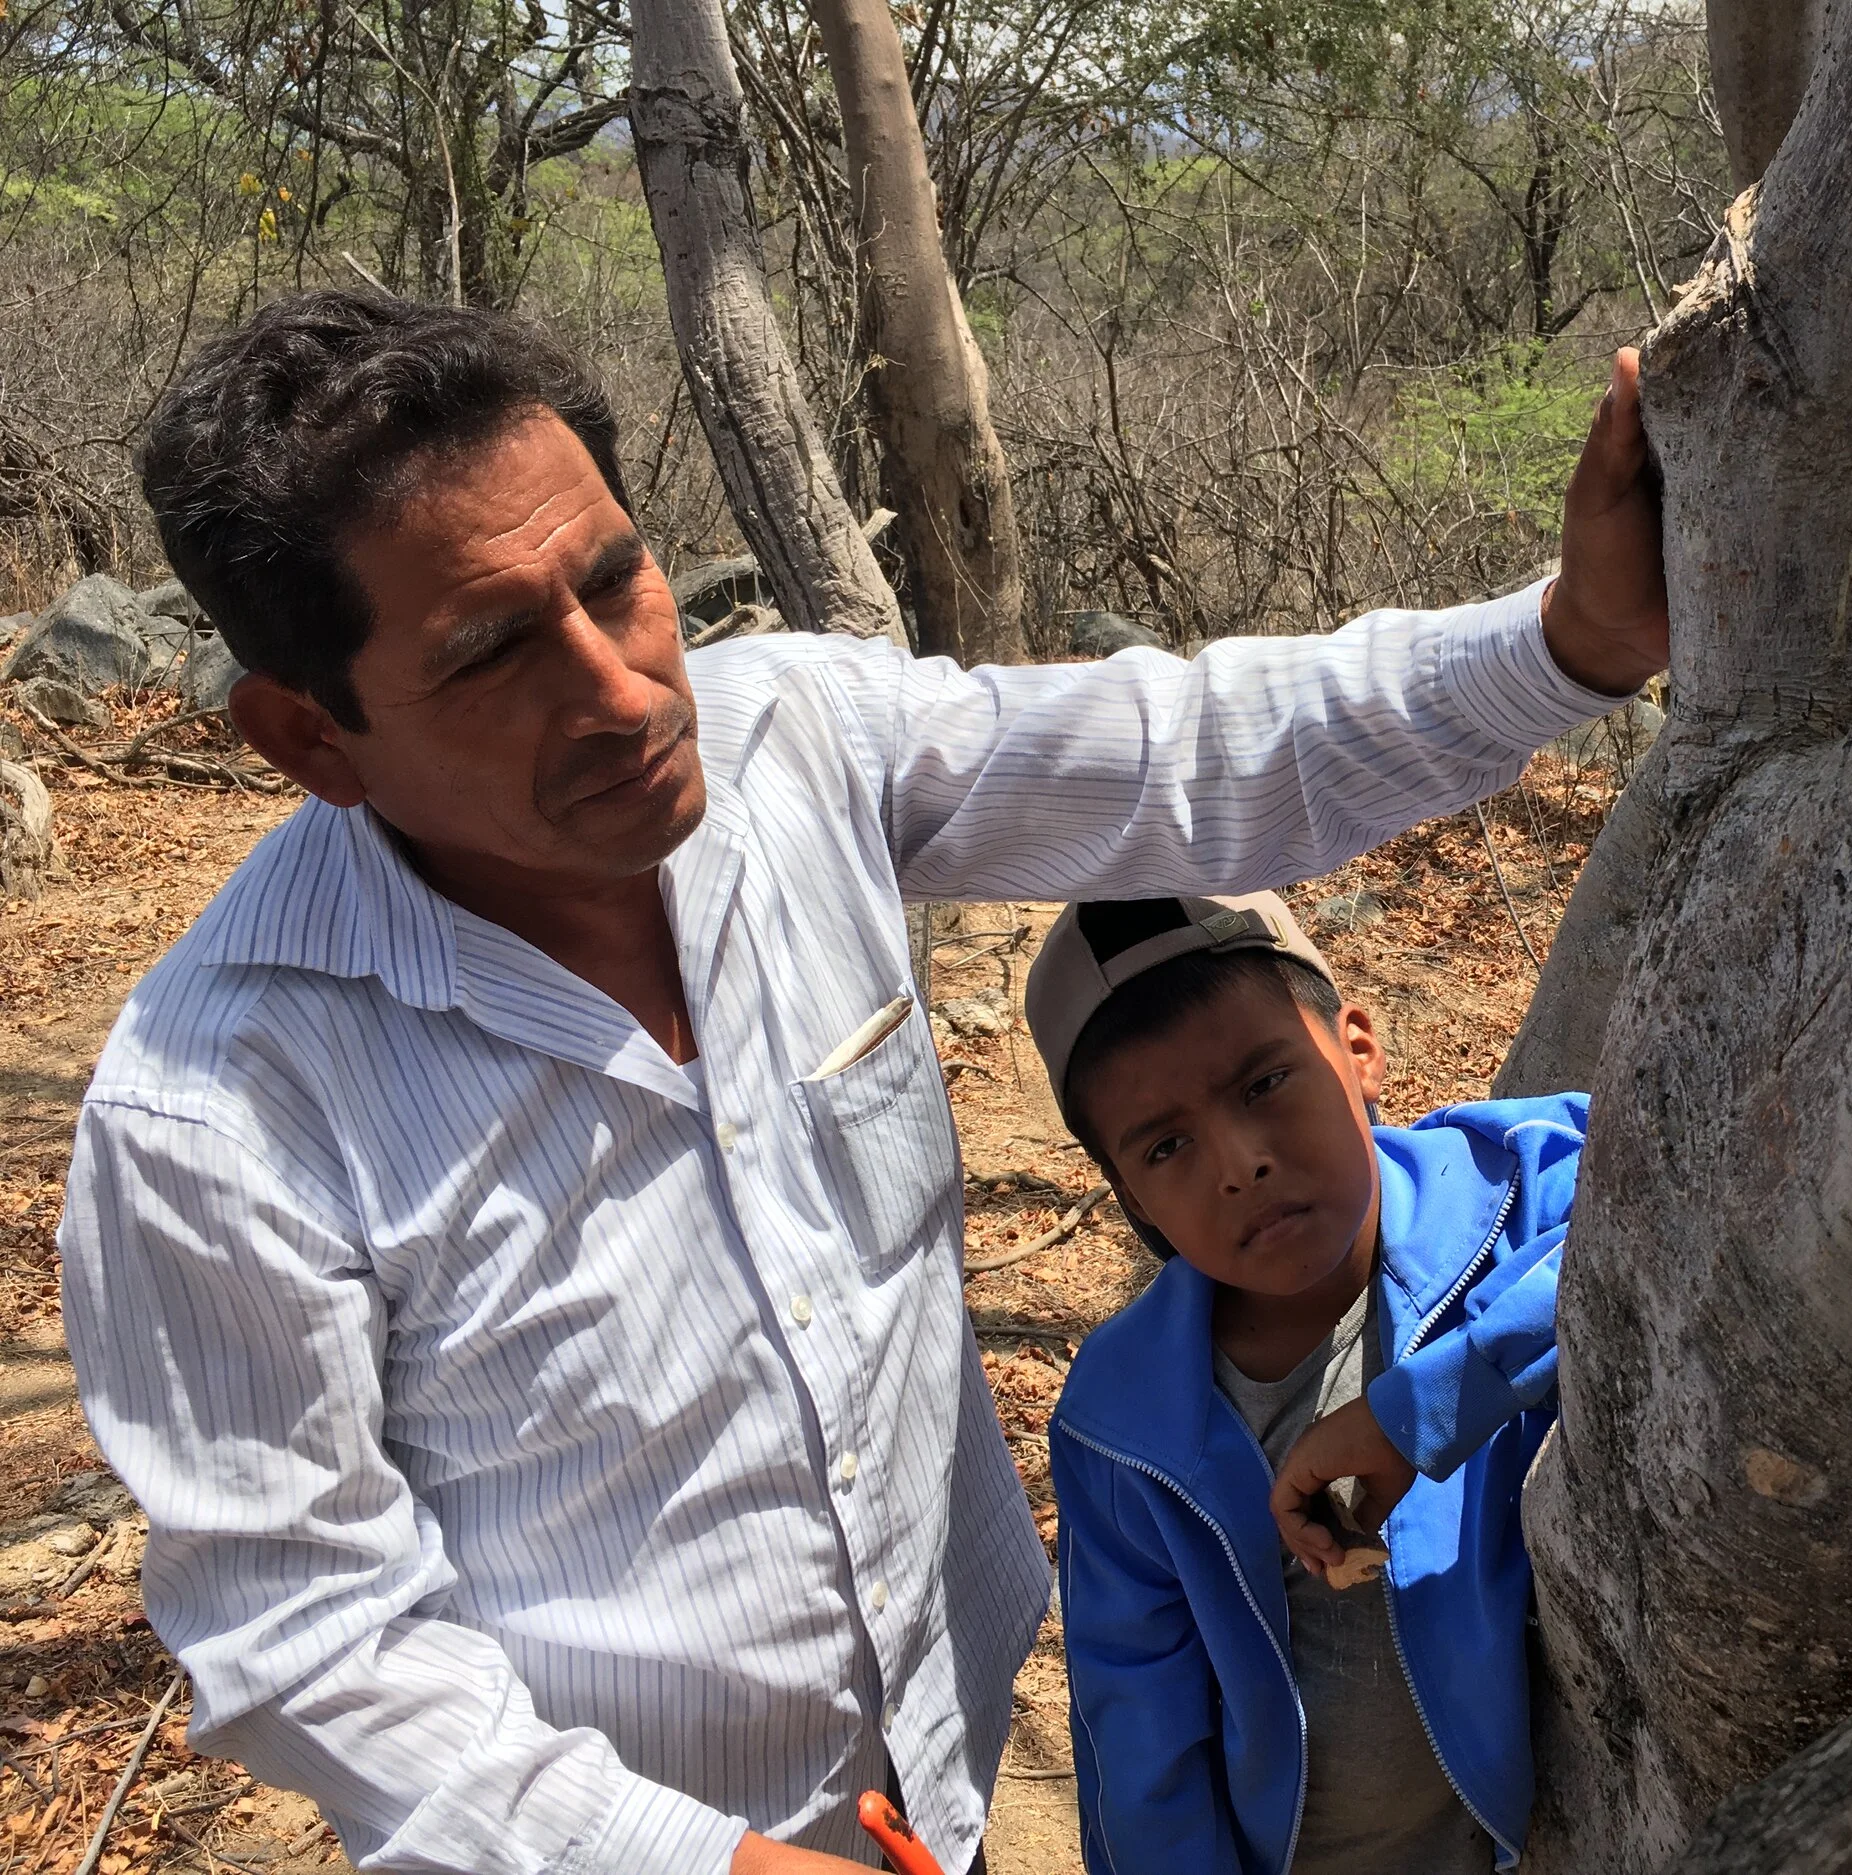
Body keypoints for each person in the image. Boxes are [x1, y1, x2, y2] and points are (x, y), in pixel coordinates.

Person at [55, 288, 1666, 1875]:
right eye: (489, 659)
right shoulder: (216, 1113)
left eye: (617, 580)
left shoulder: (795, 747)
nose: (619, 690)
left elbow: (1196, 756)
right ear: (307, 737)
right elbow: (308, 1638)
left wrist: (1573, 642)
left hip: (941, 1778)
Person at [1033, 892, 1581, 1874]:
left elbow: (1647, 1217)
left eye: (1264, 1082)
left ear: (1358, 1047)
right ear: (1129, 1197)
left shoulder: (1512, 1184)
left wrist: (1419, 1413)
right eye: (1165, 1147)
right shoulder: (1120, 1424)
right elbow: (1141, 1742)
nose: (1240, 1163)